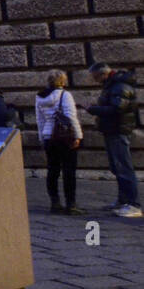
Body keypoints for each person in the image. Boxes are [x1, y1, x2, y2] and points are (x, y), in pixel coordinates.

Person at [86, 62, 141, 218]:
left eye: (96, 77)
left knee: (124, 167)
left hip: (119, 130)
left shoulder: (119, 86)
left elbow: (117, 109)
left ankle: (133, 204)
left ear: (103, 74)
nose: (95, 80)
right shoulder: (113, 85)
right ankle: (123, 201)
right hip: (112, 130)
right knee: (117, 167)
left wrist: (93, 109)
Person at [35, 69, 83, 215]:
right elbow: (70, 117)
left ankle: (55, 203)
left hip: (49, 136)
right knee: (69, 171)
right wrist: (78, 136)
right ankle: (71, 204)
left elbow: (40, 120)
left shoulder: (40, 96)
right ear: (62, 81)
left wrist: (42, 137)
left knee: (52, 170)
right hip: (65, 137)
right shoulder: (65, 95)